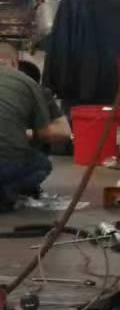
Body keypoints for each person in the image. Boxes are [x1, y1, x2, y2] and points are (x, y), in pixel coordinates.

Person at [0, 43, 70, 207]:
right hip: (7, 162)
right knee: (42, 165)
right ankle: (7, 192)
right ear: (15, 63)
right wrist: (29, 134)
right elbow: (61, 133)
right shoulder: (27, 83)